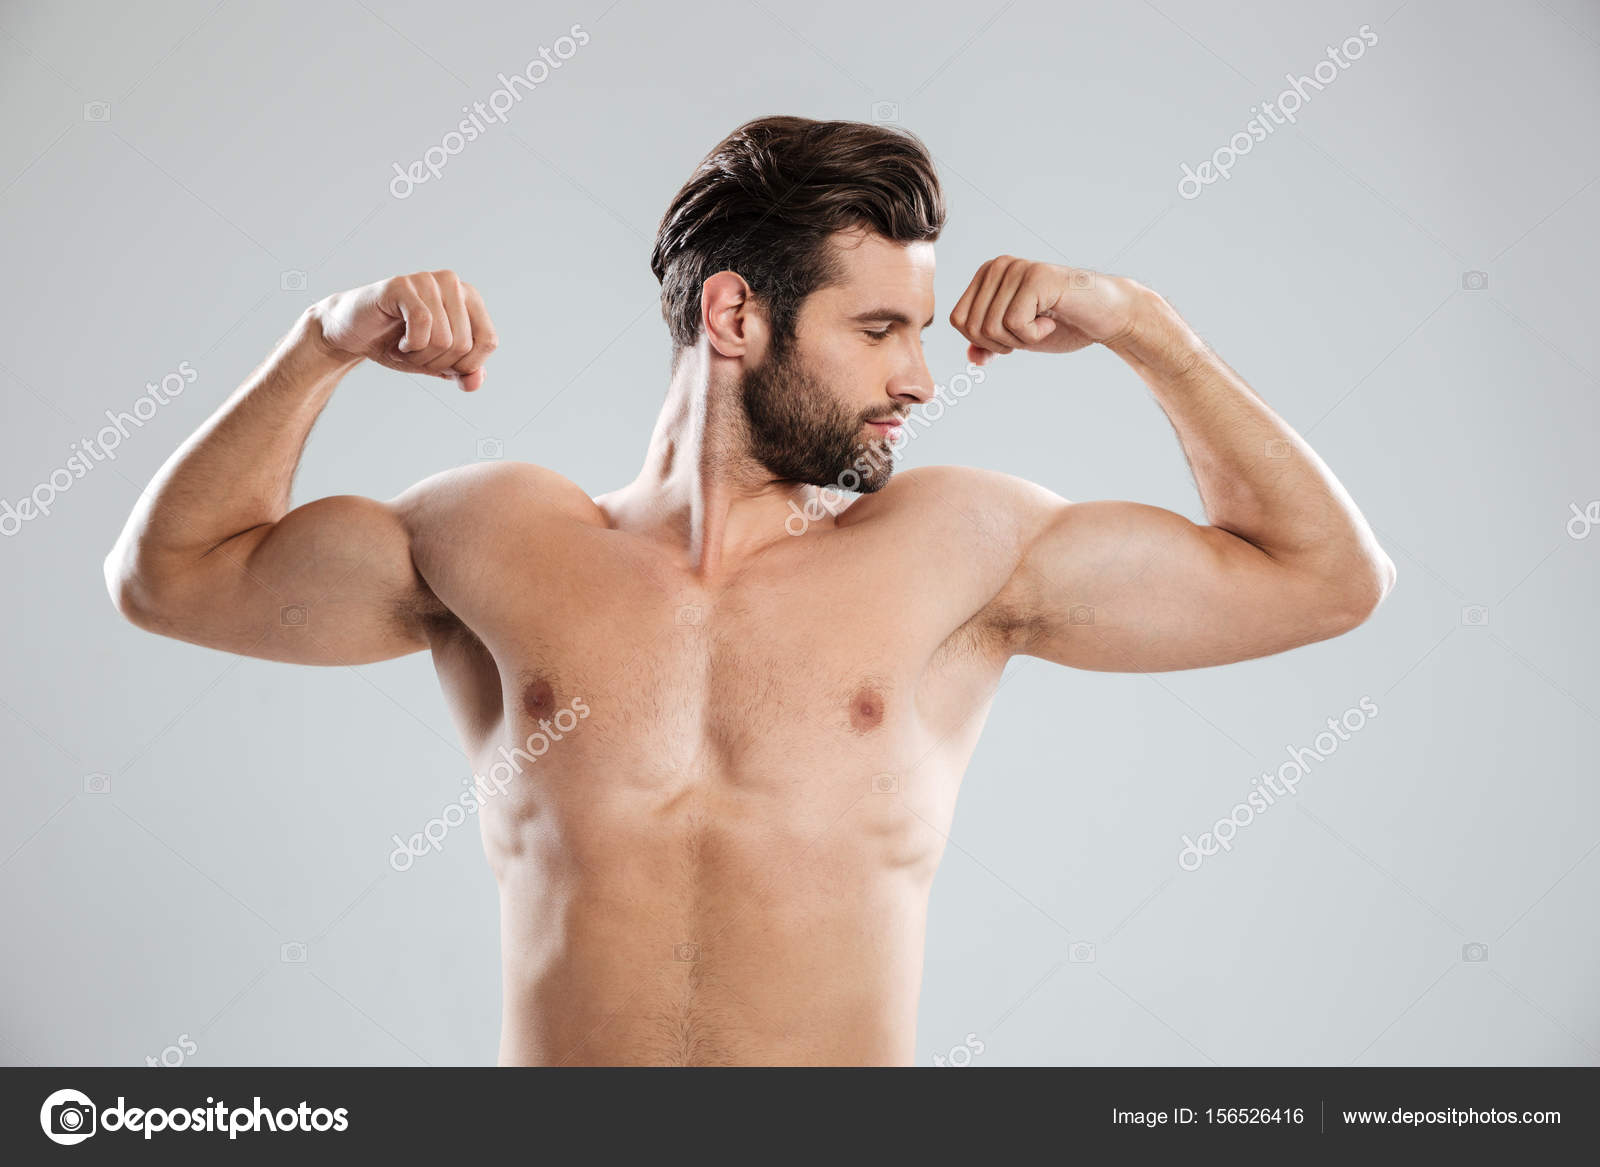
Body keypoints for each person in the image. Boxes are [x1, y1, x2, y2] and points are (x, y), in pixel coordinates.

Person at [105, 116, 1395, 1065]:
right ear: (736, 317)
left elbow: (1325, 579)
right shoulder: (496, 533)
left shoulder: (960, 544)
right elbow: (169, 579)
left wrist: (1144, 326)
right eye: (880, 330)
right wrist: (322, 344)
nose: (920, 382)